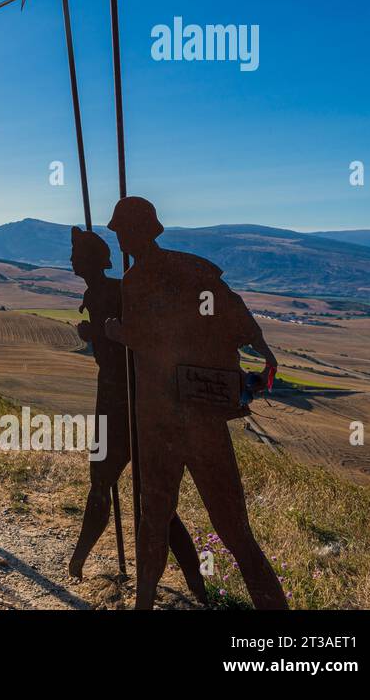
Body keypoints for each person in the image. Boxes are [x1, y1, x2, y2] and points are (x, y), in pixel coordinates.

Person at [103, 196, 286, 610]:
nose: (121, 239)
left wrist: (121, 335)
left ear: (135, 233)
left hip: (161, 420)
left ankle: (144, 605)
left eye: (122, 232)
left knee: (156, 521)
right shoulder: (195, 269)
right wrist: (262, 351)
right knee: (233, 531)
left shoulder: (135, 282)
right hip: (200, 415)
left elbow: (159, 345)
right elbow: (237, 317)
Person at [67, 227, 206, 603]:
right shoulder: (98, 293)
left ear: (93, 261)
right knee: (116, 485)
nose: (71, 260)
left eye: (78, 254)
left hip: (126, 397)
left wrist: (98, 333)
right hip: (115, 396)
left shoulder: (114, 292)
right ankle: (80, 559)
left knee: (147, 497)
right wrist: (95, 332)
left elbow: (134, 337)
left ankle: (195, 580)